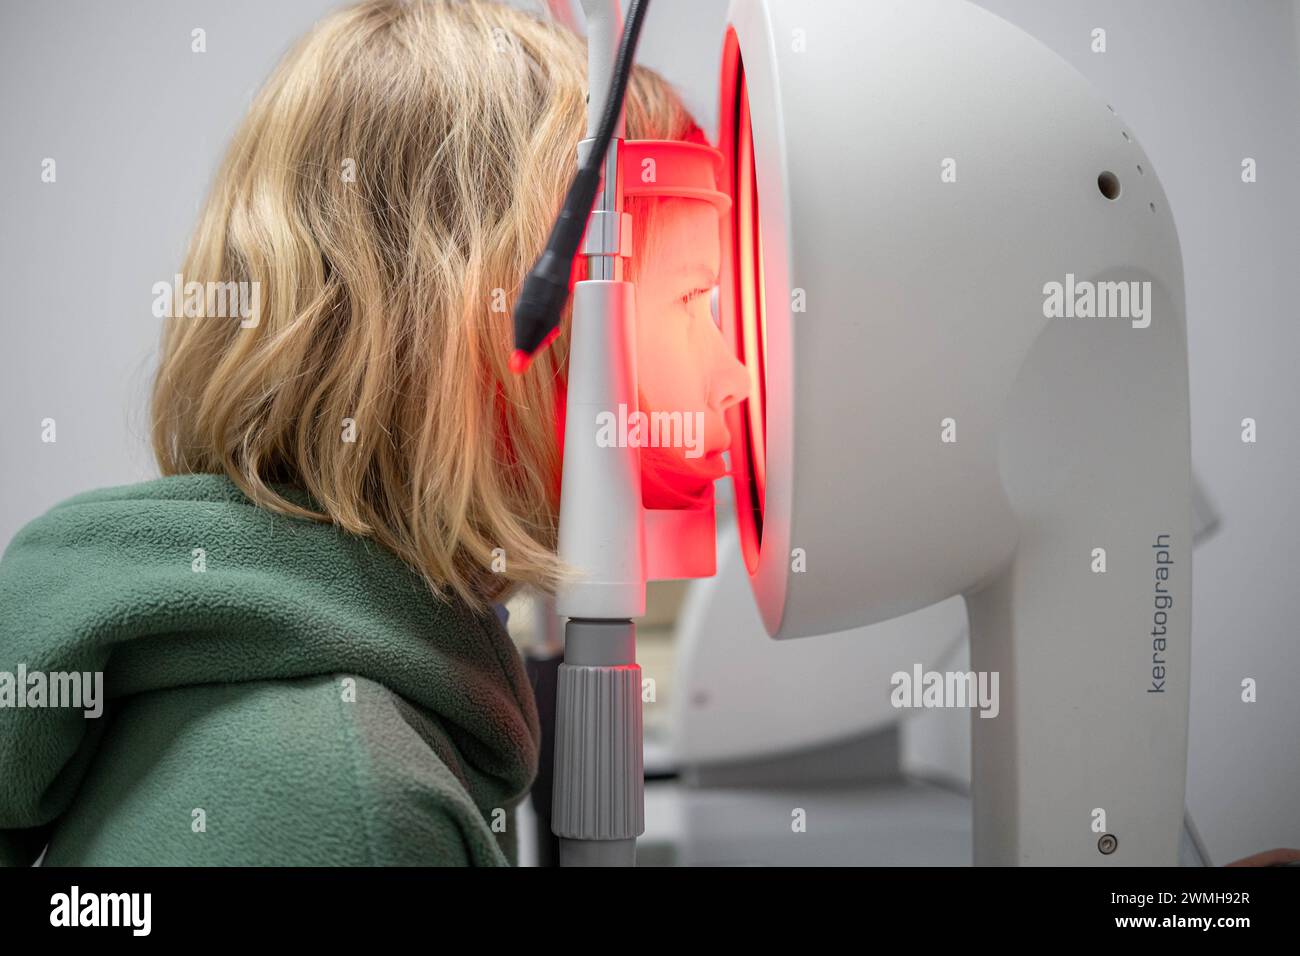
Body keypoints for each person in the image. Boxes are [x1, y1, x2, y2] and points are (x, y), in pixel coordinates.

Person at [0, 0, 747, 866]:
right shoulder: (343, 803)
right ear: (489, 323)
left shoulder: (353, 697)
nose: (727, 382)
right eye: (690, 303)